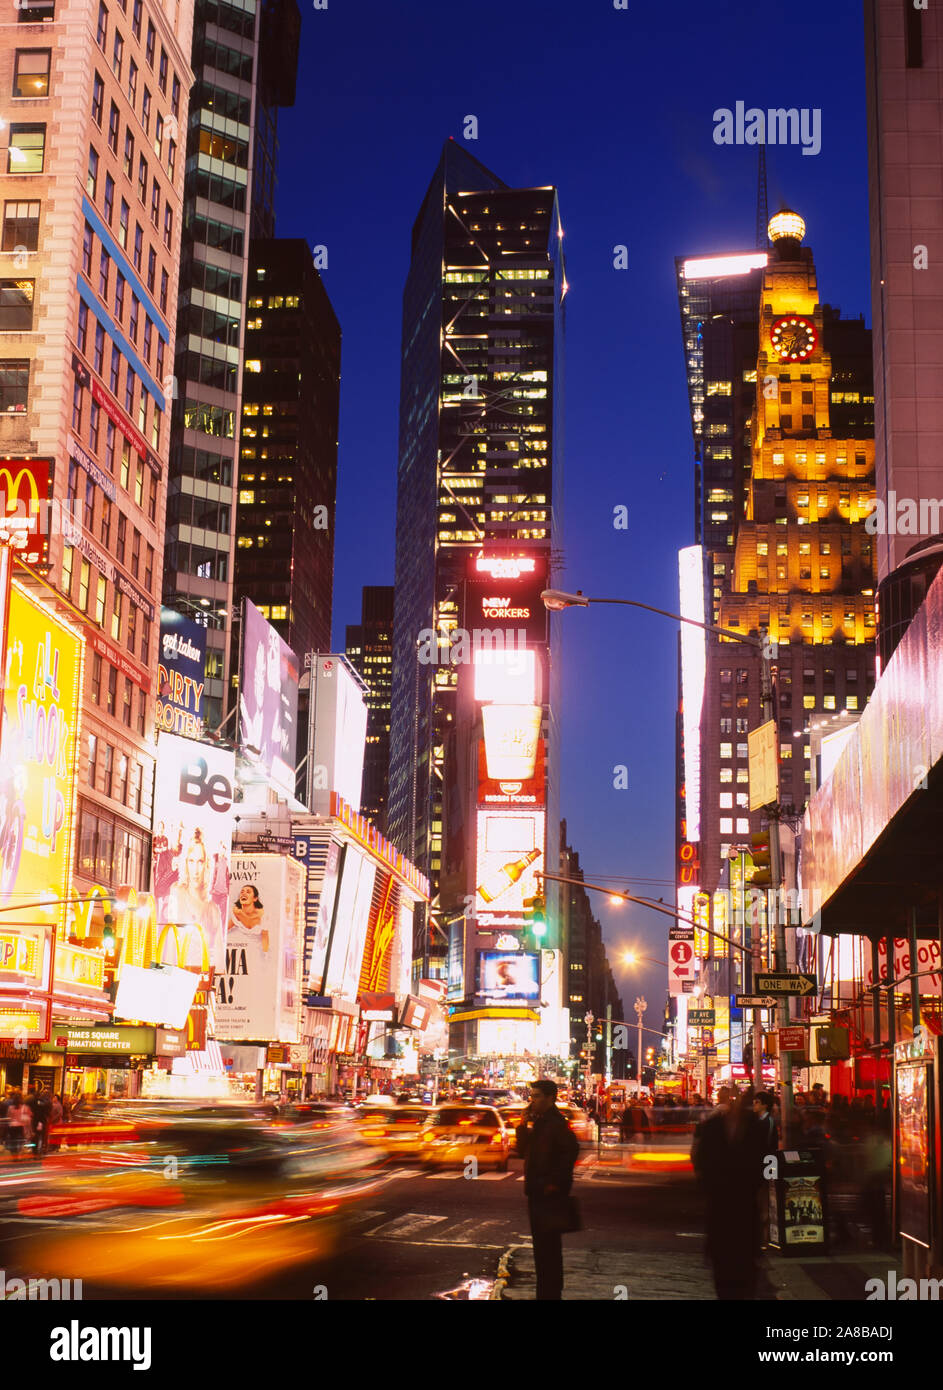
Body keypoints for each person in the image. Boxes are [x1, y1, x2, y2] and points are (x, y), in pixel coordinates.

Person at [691, 1092, 769, 1299]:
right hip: (723, 1211)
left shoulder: (755, 1129)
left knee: (743, 1273)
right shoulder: (714, 1128)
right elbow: (702, 1162)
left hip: (743, 1212)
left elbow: (761, 1167)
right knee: (725, 1272)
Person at [515, 1079, 580, 1301]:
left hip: (548, 1193)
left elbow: (570, 1152)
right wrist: (523, 1125)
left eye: (537, 1096)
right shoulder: (539, 1122)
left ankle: (550, 1293)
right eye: (531, 1096)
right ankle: (547, 1291)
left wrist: (555, 1182)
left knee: (548, 1249)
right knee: (542, 1248)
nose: (532, 1100)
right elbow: (522, 1150)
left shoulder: (555, 1123)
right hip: (536, 1191)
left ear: (550, 1098)